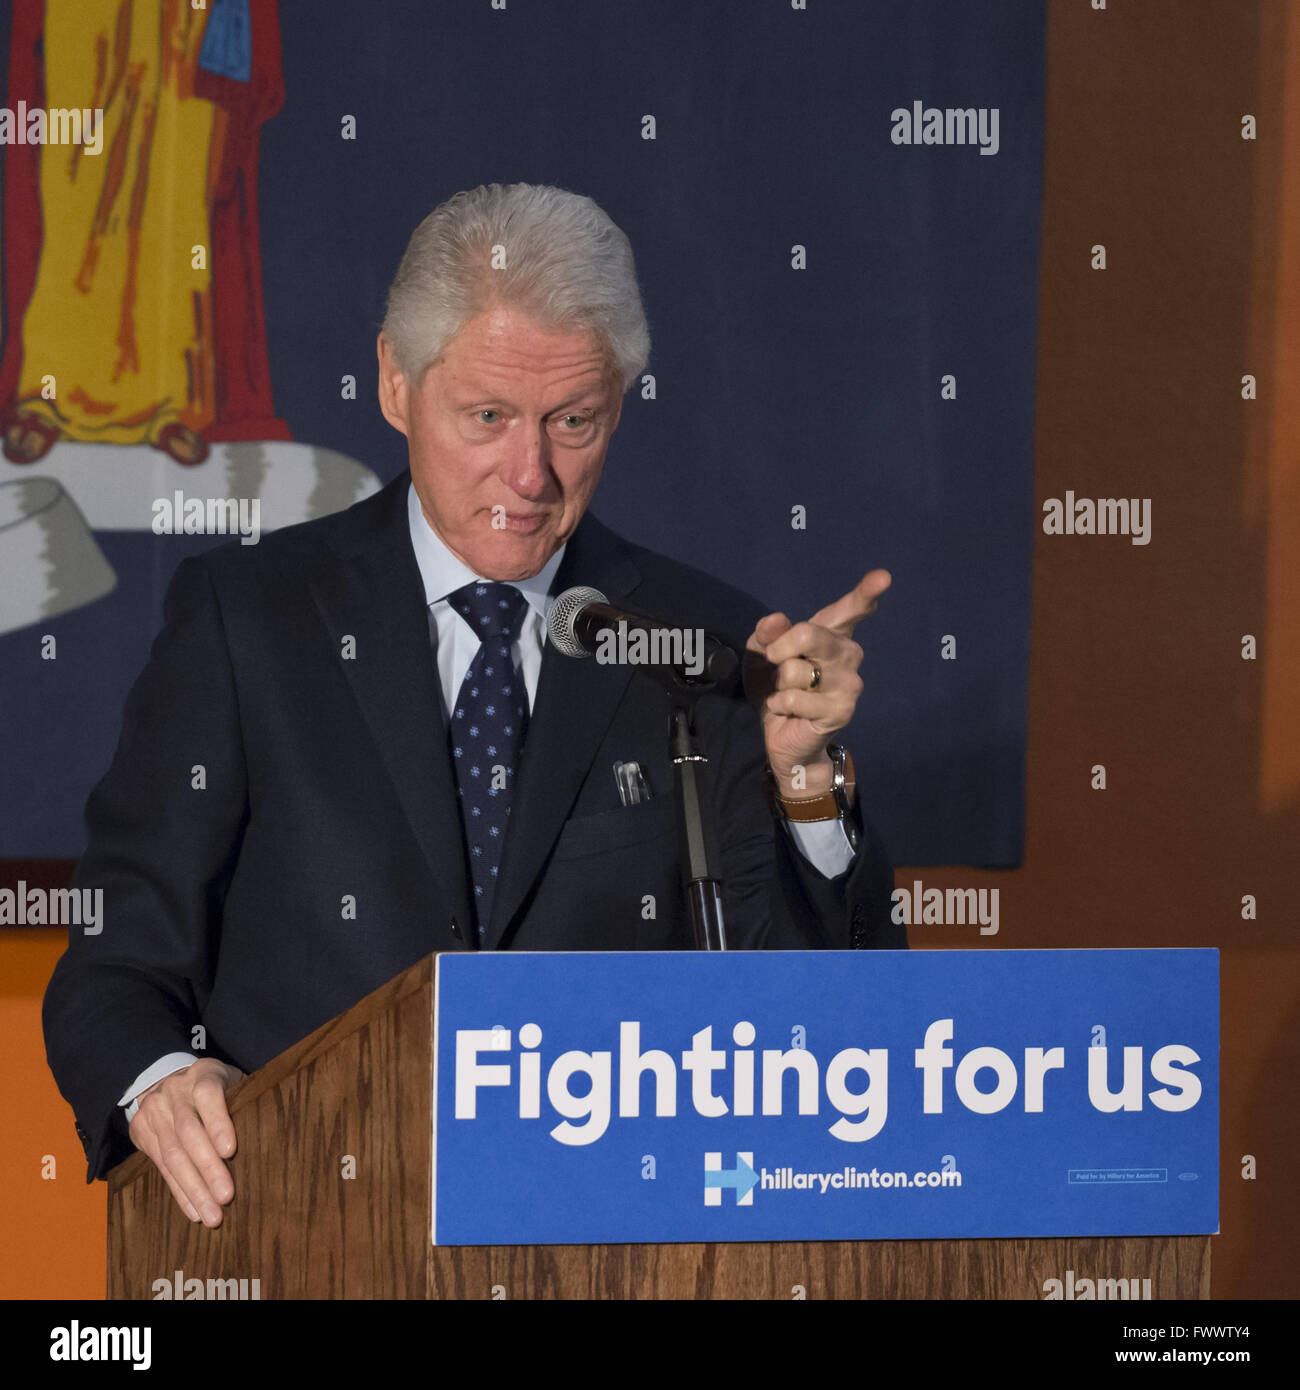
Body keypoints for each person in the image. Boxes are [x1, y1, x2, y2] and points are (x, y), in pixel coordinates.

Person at [42, 183, 904, 1231]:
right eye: (487, 417)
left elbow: (822, 1032)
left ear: (619, 406)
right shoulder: (247, 619)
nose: (529, 473)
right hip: (300, 1220)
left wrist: (802, 784)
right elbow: (114, 964)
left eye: (573, 421)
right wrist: (158, 1080)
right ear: (396, 385)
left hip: (611, 1239)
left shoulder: (703, 645)